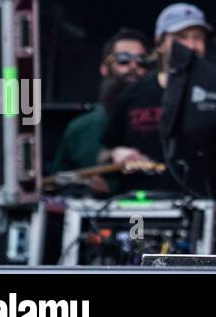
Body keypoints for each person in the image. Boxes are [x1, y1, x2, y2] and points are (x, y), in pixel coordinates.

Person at [99, 3, 216, 200]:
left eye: (198, 38)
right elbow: (103, 155)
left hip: (196, 211)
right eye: (181, 37)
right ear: (159, 43)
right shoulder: (134, 94)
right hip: (137, 209)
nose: (191, 45)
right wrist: (117, 153)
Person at [50, 28, 151, 195]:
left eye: (141, 61)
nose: (134, 67)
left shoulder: (162, 121)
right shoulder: (80, 128)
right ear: (104, 69)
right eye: (123, 60)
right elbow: (56, 182)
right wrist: (81, 185)